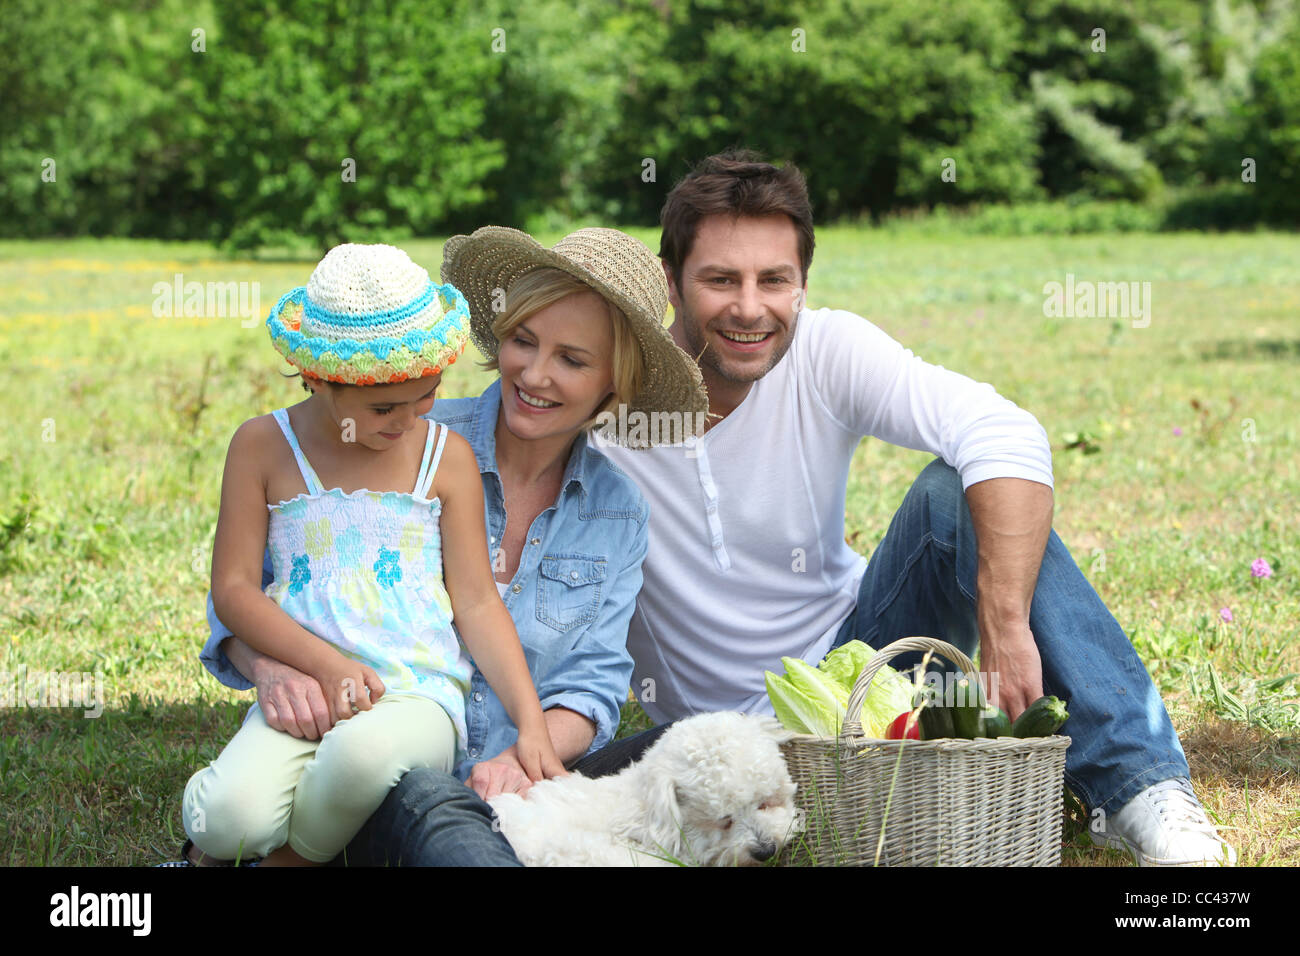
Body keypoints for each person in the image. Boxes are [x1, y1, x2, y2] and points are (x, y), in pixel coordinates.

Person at [593, 149, 1236, 867]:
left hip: (869, 659)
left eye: (774, 279)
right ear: (671, 281)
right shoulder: (602, 404)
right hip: (724, 745)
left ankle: (1140, 788)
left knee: (947, 494)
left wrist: (1005, 623)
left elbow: (1001, 429)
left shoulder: (823, 348)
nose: (750, 307)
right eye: (720, 279)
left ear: (802, 285)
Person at [177, 228, 708, 867]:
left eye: (572, 360)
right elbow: (242, 596)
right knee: (436, 818)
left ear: (613, 386)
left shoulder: (614, 510)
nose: (534, 374)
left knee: (694, 743)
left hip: (486, 760)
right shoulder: (398, 429)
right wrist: (277, 666)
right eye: (523, 340)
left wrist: (523, 753)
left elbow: (591, 680)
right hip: (393, 775)